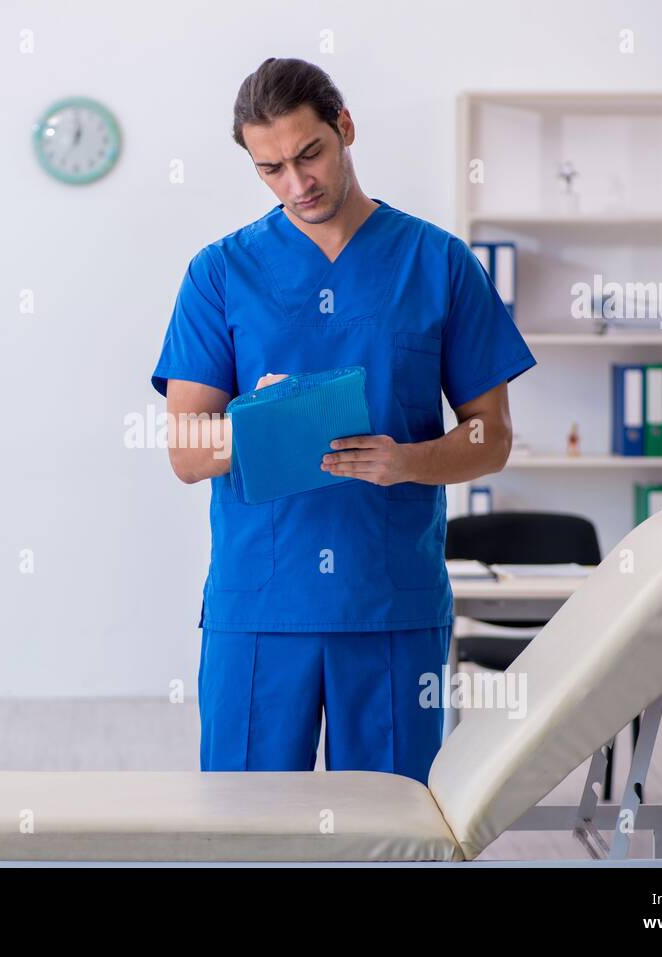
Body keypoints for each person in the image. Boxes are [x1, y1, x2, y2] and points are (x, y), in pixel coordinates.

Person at [150, 57, 536, 783]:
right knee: (245, 832)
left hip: (391, 604)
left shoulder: (438, 263)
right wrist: (258, 421)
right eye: (271, 169)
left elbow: (493, 436)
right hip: (262, 606)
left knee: (394, 832)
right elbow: (185, 450)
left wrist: (408, 461)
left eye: (310, 154)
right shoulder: (220, 273)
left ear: (345, 128)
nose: (298, 185)